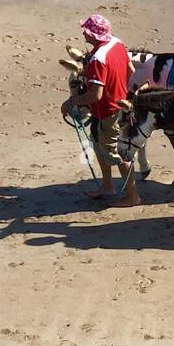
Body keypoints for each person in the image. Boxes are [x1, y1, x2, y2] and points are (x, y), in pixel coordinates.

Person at [59, 14, 140, 207]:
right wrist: (120, 87)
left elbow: (95, 95)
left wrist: (72, 102)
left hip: (108, 110)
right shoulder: (117, 43)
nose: (84, 35)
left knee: (116, 153)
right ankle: (107, 186)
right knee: (97, 144)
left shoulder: (97, 59)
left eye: (86, 32)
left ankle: (133, 196)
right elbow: (131, 70)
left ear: (94, 35)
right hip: (116, 105)